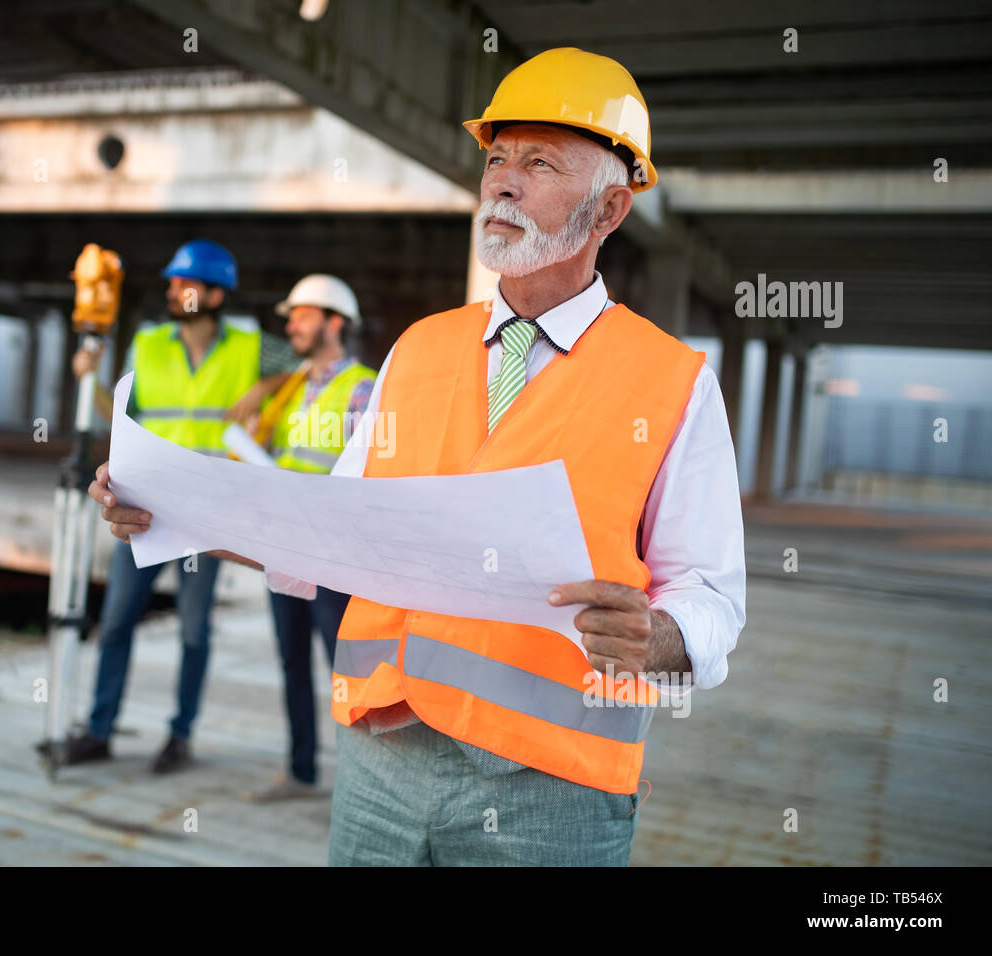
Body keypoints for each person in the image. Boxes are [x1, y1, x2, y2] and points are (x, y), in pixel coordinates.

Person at [89, 47, 745, 865]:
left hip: (555, 793)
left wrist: (657, 638)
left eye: (538, 163)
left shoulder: (673, 383)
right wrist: (173, 511)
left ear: (610, 209)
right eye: (497, 158)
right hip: (378, 769)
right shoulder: (419, 350)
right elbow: (326, 540)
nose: (502, 182)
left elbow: (713, 596)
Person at [55, 238, 297, 773]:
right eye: (172, 282)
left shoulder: (250, 344)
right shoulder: (148, 343)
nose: (173, 290)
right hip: (145, 509)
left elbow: (303, 367)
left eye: (184, 283)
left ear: (214, 294)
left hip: (209, 516)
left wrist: (262, 391)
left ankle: (179, 737)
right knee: (117, 620)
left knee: (193, 630)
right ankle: (99, 730)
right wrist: (88, 378)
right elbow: (120, 417)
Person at [244, 276, 376, 801]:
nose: (291, 324)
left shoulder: (362, 388)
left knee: (346, 672)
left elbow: (370, 477)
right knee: (292, 662)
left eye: (302, 314)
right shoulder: (292, 386)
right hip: (284, 552)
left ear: (334, 321)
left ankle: (363, 787)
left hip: (333, 560)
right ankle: (300, 773)